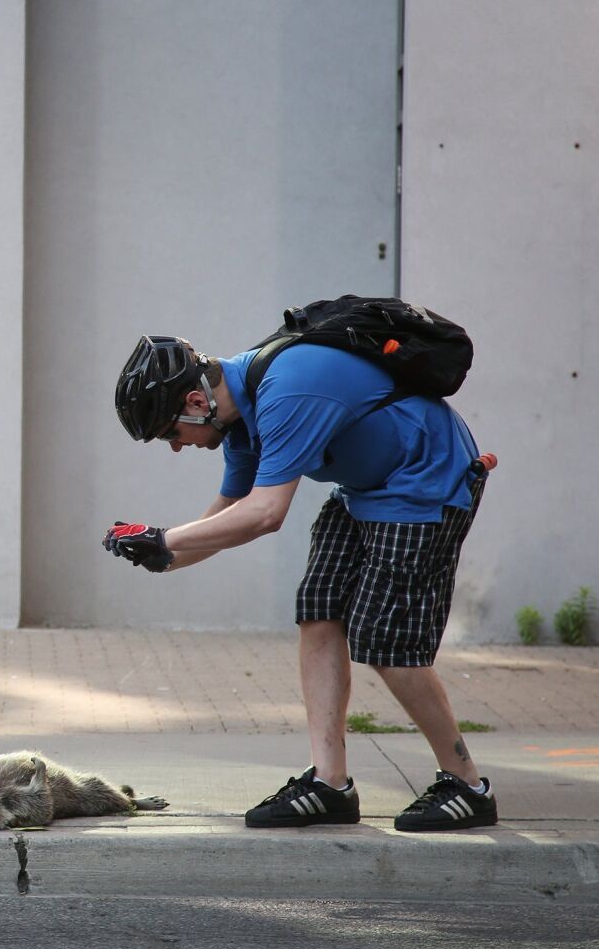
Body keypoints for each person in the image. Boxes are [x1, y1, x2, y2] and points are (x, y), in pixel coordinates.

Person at [103, 333, 497, 831]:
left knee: (385, 641)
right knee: (318, 610)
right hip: (363, 488)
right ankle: (330, 785)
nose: (178, 447)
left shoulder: (287, 390)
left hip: (424, 478)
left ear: (196, 401)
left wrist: (164, 539)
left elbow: (266, 514)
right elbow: (228, 518)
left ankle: (468, 785)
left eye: (170, 433)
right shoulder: (240, 417)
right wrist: (160, 556)